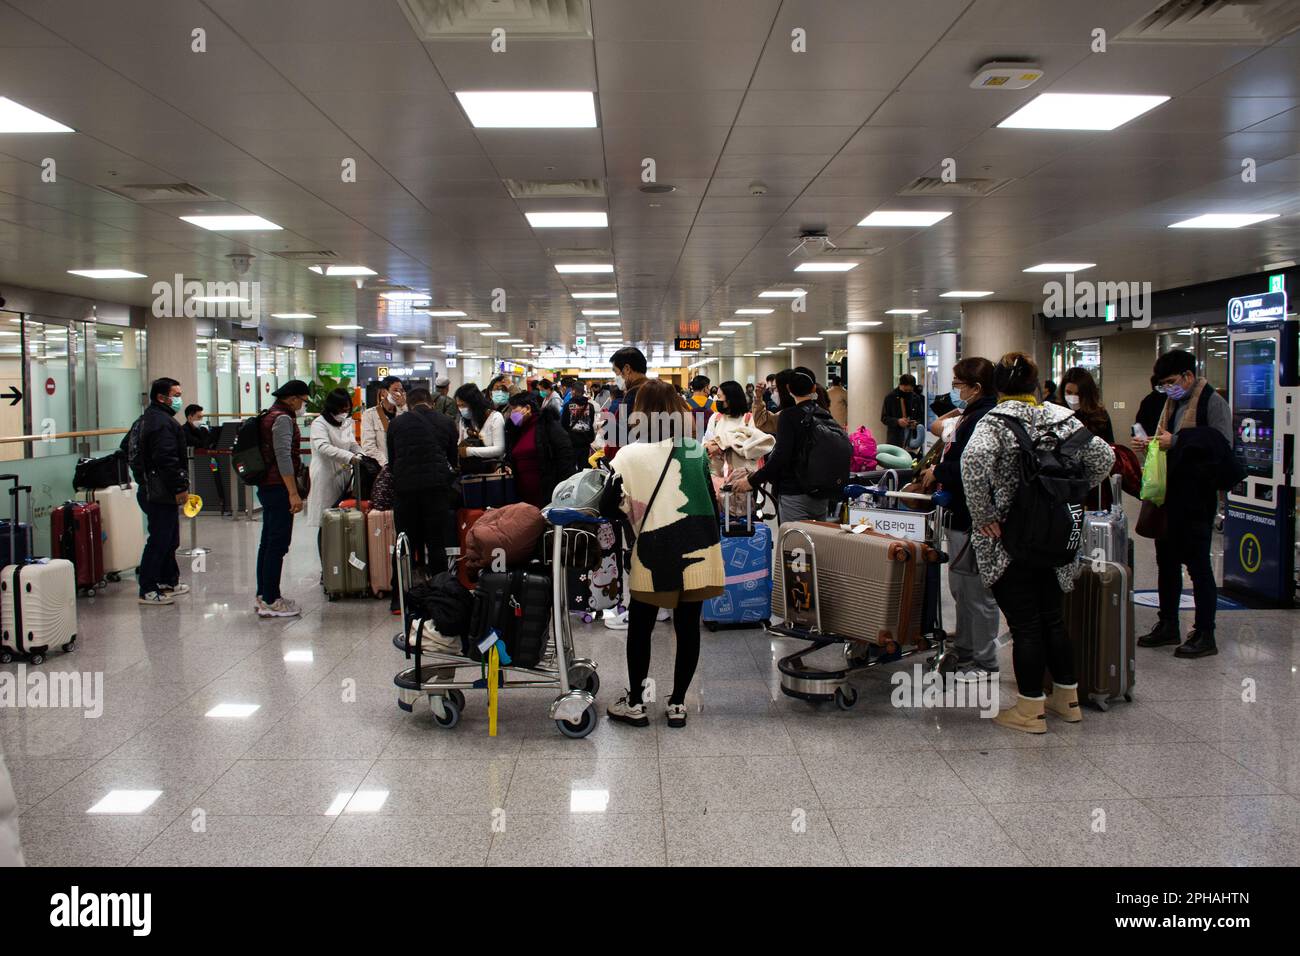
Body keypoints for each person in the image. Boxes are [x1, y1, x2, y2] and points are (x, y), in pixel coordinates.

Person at [961, 353, 1114, 733]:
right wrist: (1069, 493)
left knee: (1025, 624)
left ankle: (1030, 708)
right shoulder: (1060, 416)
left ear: (998, 386)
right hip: (1058, 533)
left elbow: (972, 463)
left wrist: (984, 516)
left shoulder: (994, 423)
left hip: (1011, 538)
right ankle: (1068, 698)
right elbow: (1104, 456)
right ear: (1035, 383)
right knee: (1053, 619)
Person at [603, 379, 724, 729]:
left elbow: (613, 505)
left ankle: (637, 703)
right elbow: (709, 499)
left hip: (653, 553)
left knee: (640, 626)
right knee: (688, 628)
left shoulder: (627, 455)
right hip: (701, 548)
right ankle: (677, 704)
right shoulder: (695, 450)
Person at [1133, 349, 1234, 659]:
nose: (1167, 388)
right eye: (1163, 383)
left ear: (1189, 376)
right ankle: (1168, 623)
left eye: (1171, 381)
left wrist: (1174, 442)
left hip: (1196, 497)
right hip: (1170, 494)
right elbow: (1168, 439)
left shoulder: (1211, 403)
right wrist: (1151, 442)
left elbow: (1220, 444)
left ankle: (1205, 632)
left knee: (1199, 566)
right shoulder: (1171, 402)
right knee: (1167, 562)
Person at [914, 358, 1001, 680]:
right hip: (962, 514)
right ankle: (966, 647)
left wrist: (937, 470)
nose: (954, 390)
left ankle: (985, 660)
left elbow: (973, 469)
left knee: (977, 592)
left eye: (959, 384)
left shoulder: (984, 419)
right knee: (962, 588)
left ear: (977, 387)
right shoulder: (972, 415)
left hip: (975, 517)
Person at [731, 369, 840, 523]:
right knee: (817, 540)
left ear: (788, 389)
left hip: (794, 493)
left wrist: (752, 481)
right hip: (820, 494)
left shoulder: (788, 416)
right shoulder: (824, 413)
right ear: (814, 388)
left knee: (793, 543)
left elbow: (781, 457)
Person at [126, 377, 190, 606]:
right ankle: (148, 588)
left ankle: (167, 580)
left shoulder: (144, 420)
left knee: (169, 537)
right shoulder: (162, 423)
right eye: (176, 394)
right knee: (160, 539)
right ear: (161, 397)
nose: (179, 399)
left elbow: (127, 448)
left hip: (151, 487)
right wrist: (179, 487)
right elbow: (167, 459)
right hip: (160, 490)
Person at [253, 380, 311, 618]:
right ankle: (271, 600)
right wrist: (293, 493)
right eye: (303, 401)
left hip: (268, 485)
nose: (304, 406)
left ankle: (264, 594)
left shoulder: (269, 414)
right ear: (293, 399)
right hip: (278, 487)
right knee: (277, 543)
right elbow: (283, 457)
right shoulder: (283, 419)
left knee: (267, 542)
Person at [387, 386, 458, 581]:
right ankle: (440, 592)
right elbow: (453, 460)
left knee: (404, 541)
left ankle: (399, 598)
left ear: (409, 405)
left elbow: (392, 460)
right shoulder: (447, 422)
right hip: (436, 490)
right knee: (436, 542)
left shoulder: (396, 424)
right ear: (432, 403)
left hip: (405, 490)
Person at [703, 380, 775, 515]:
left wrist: (724, 444)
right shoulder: (716, 418)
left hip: (744, 481)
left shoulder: (749, 419)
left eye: (720, 397)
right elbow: (707, 443)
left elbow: (757, 447)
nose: (717, 400)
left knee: (744, 517)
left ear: (730, 399)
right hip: (717, 481)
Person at [307, 387, 362, 543]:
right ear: (332, 407)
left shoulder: (344, 423)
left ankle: (339, 560)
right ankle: (327, 564)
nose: (345, 412)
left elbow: (352, 444)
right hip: (325, 474)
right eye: (341, 408)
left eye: (347, 408)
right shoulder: (319, 423)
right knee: (326, 521)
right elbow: (323, 447)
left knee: (342, 519)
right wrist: (349, 457)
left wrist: (361, 454)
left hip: (343, 474)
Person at [504, 391, 575, 507]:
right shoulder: (516, 430)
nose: (511, 414)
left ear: (527, 408)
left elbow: (565, 455)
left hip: (547, 494)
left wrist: (564, 490)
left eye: (514, 409)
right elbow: (512, 455)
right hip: (523, 497)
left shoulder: (548, 425)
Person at [605, 346, 649, 460]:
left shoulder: (633, 394)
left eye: (616, 372)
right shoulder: (658, 389)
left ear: (627, 369)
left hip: (636, 459)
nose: (616, 378)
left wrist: (607, 428)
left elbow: (623, 435)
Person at [455, 382, 506, 473]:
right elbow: (460, 442)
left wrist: (469, 451)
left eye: (463, 405)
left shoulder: (495, 417)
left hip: (490, 472)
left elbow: (499, 449)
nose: (461, 409)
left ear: (475, 403)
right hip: (468, 471)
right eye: (458, 405)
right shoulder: (464, 420)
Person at [360, 376, 405, 466]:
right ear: (384, 392)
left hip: (403, 467)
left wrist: (402, 407)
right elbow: (369, 447)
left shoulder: (406, 413)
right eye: (395, 390)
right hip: (383, 467)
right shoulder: (370, 414)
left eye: (401, 390)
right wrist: (386, 464)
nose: (399, 394)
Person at [1060, 367, 1114, 442]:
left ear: (1088, 394)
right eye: (1069, 393)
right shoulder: (1057, 415)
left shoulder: (1100, 416)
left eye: (1078, 394)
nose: (1073, 398)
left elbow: (1109, 446)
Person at [881, 374, 924, 448]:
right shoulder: (890, 397)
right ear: (900, 385)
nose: (907, 392)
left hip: (912, 439)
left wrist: (916, 423)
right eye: (905, 390)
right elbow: (884, 418)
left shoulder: (916, 398)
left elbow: (921, 416)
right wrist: (898, 421)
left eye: (910, 390)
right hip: (895, 440)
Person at [561, 393, 598, 470]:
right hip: (585, 442)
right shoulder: (590, 406)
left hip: (572, 442)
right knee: (584, 467)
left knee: (571, 467)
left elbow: (563, 424)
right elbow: (591, 422)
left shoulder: (567, 405)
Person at [687, 375, 714, 439]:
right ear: (705, 388)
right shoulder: (713, 404)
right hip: (708, 440)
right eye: (708, 387)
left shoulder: (685, 405)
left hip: (691, 440)